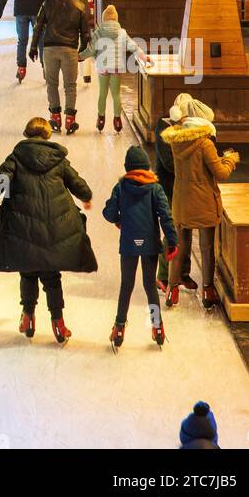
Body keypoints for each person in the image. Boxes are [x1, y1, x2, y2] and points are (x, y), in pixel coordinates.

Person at [0, 115, 96, 344]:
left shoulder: (17, 157)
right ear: (47, 135)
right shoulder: (58, 160)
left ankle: (28, 317)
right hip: (54, 227)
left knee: (28, 272)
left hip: (24, 227)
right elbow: (76, 182)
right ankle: (58, 324)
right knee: (52, 276)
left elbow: (1, 180)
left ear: (27, 134)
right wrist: (86, 196)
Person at [161, 93, 239, 311]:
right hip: (204, 200)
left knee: (180, 245)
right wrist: (230, 159)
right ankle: (207, 291)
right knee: (206, 248)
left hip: (182, 200)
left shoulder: (176, 141)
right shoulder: (205, 144)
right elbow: (221, 173)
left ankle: (172, 290)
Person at [102, 145, 177, 350]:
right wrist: (172, 241)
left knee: (126, 286)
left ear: (128, 167)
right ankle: (157, 326)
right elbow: (166, 217)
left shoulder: (120, 187)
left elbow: (108, 213)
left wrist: (119, 219)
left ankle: (119, 328)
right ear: (147, 166)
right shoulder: (155, 188)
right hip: (150, 244)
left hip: (128, 243)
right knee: (149, 286)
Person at [29, 0, 91, 135]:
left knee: (51, 84)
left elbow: (38, 26)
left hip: (49, 49)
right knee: (70, 86)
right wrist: (82, 51)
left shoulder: (48, 3)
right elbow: (85, 33)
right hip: (69, 50)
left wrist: (33, 46)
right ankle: (70, 120)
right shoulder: (79, 6)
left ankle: (55, 118)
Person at [80, 3, 149, 133]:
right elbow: (132, 46)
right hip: (117, 67)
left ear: (104, 18)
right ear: (116, 19)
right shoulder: (122, 32)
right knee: (116, 94)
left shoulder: (99, 32)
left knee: (103, 93)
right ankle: (117, 120)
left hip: (103, 67)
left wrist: (80, 56)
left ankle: (101, 119)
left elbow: (91, 50)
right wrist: (144, 57)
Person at [154, 106, 196, 293]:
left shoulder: (185, 131)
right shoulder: (165, 133)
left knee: (186, 231)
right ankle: (163, 275)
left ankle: (182, 273)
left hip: (185, 187)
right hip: (169, 189)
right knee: (173, 232)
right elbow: (170, 164)